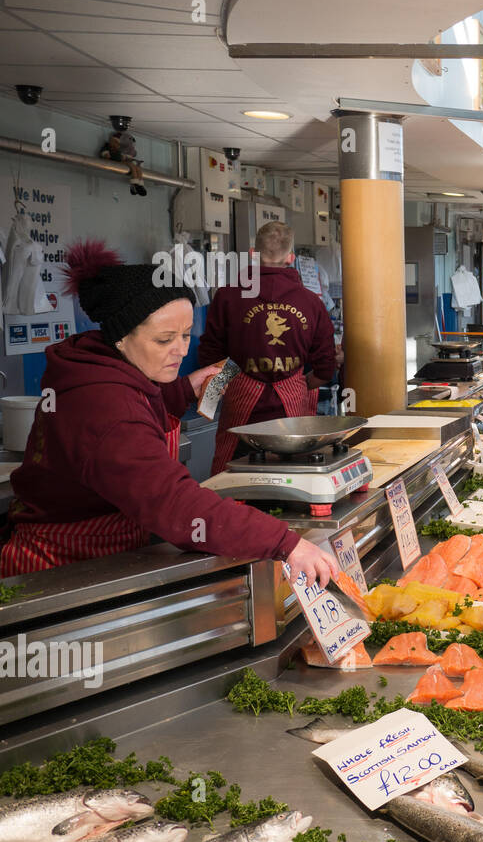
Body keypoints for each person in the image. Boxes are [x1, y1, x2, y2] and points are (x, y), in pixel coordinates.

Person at [0, 241, 335, 586]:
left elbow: (139, 399)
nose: (181, 349)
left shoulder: (102, 365)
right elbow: (172, 502)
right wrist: (284, 542)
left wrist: (182, 389)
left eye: (187, 335)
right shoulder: (105, 411)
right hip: (59, 574)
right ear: (120, 338)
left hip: (108, 556)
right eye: (164, 340)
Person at [198, 222, 335, 475]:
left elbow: (210, 358)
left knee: (233, 480)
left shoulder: (227, 296)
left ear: (252, 254)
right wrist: (298, 383)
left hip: (240, 412)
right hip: (291, 416)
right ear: (291, 258)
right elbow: (326, 367)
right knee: (292, 479)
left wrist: (222, 392)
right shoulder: (310, 302)